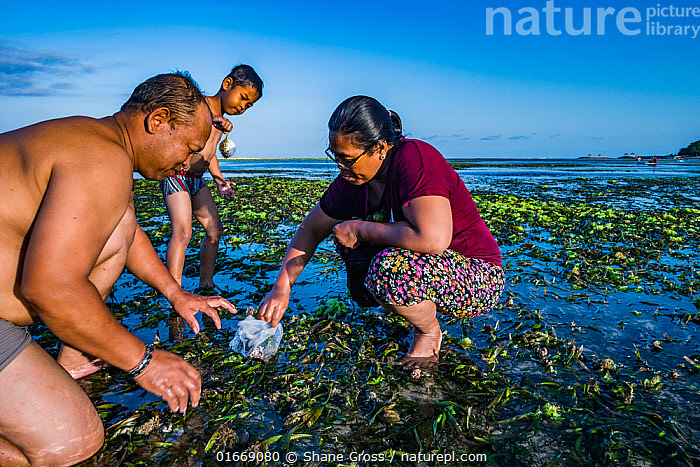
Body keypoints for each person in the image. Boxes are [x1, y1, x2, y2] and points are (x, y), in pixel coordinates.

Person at [0, 72, 237, 466]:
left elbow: (126, 233)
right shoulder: (101, 158)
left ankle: (75, 361)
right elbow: (50, 287)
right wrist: (143, 361)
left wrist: (176, 293)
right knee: (73, 441)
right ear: (158, 120)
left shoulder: (93, 138)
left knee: (121, 225)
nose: (187, 161)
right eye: (188, 147)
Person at [258, 95, 505, 368]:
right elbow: (311, 228)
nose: (340, 167)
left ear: (380, 148)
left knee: (387, 269)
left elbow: (432, 239)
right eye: (335, 157)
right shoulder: (351, 182)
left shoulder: (415, 158)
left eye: (348, 159)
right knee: (363, 273)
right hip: (433, 270)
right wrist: (281, 286)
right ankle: (417, 309)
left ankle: (428, 331)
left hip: (478, 276)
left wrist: (359, 228)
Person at [161, 65, 263, 290]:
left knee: (215, 230)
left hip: (196, 179)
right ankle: (174, 293)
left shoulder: (220, 120)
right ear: (227, 84)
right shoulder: (201, 105)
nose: (243, 107)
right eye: (242, 97)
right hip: (176, 175)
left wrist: (219, 180)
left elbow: (210, 154)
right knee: (183, 231)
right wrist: (212, 119)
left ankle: (206, 284)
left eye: (249, 105)